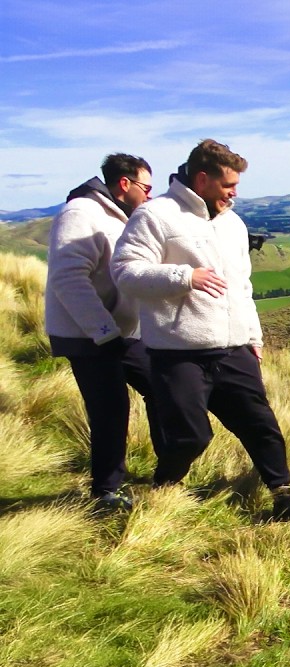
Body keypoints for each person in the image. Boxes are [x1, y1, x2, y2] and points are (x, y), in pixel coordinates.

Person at [111, 139, 290, 521]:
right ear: (202, 178)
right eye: (228, 185)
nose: (234, 193)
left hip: (235, 348)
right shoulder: (156, 216)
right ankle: (165, 489)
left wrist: (253, 337)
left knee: (262, 426)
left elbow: (242, 287)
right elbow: (124, 272)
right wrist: (185, 276)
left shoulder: (233, 223)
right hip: (178, 352)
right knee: (190, 436)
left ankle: (283, 496)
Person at [46, 153, 165, 514]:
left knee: (163, 388)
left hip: (120, 331)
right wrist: (103, 332)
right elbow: (68, 278)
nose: (149, 194)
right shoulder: (81, 213)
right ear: (124, 184)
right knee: (110, 408)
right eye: (145, 187)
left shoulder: (118, 216)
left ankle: (168, 472)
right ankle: (105, 491)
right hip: (88, 334)